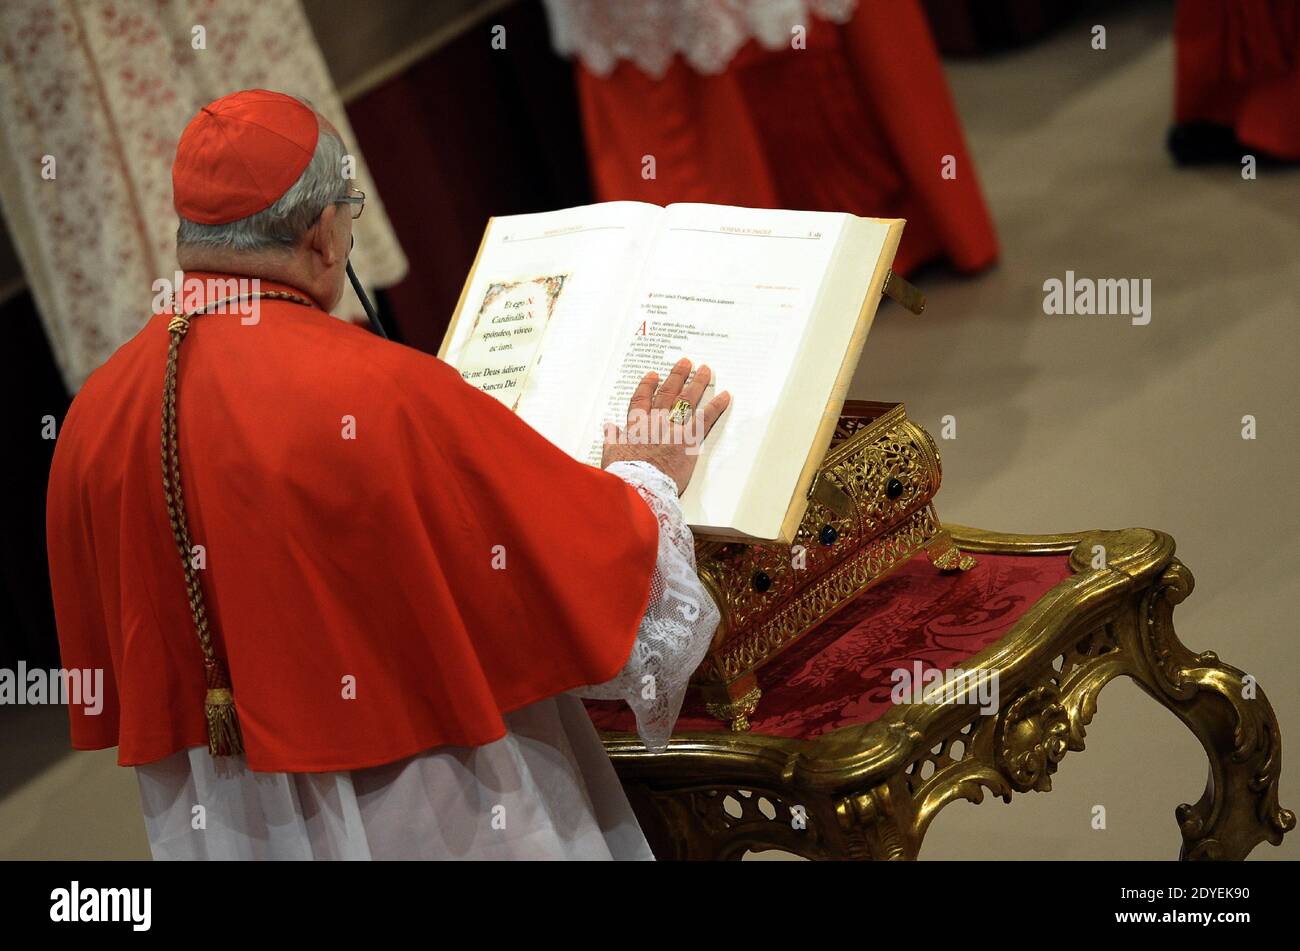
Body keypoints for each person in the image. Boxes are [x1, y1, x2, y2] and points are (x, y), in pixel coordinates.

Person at [45, 89, 731, 860]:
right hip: (432, 803)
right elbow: (604, 591)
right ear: (321, 234)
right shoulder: (378, 390)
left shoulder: (93, 418)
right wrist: (646, 473)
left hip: (231, 823)